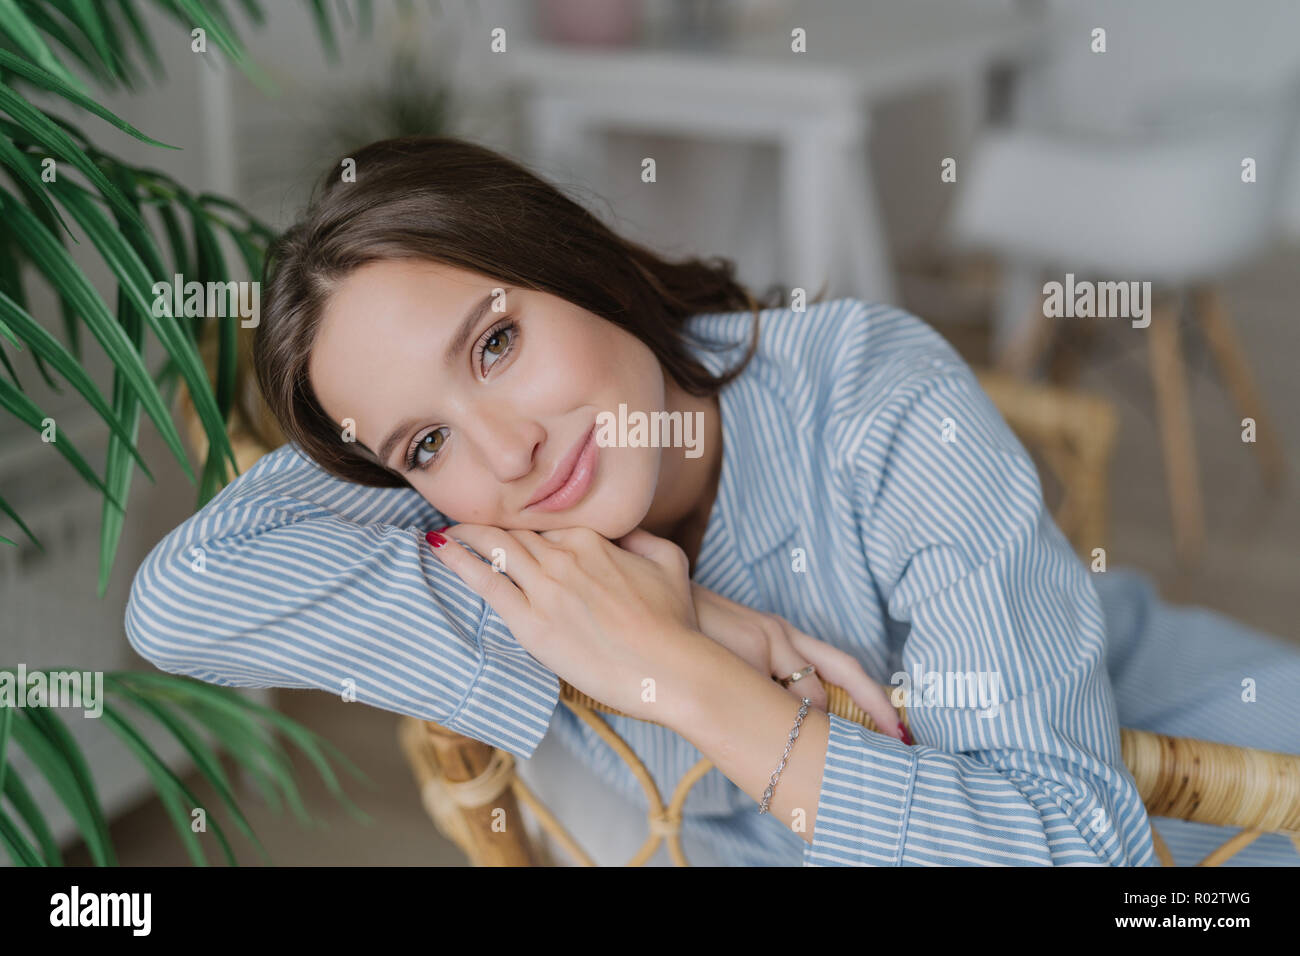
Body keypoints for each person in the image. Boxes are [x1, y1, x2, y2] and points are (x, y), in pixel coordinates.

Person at [126, 136, 1300, 866]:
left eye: (495, 343)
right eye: (423, 440)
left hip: (1217, 777)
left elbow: (1076, 859)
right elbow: (177, 601)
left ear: (571, 256)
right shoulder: (486, 516)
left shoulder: (873, 396)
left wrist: (678, 667)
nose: (513, 448)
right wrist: (674, 625)